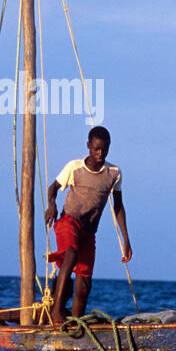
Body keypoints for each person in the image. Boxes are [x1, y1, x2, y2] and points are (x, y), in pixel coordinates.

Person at [44, 126, 132, 326]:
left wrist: (126, 238)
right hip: (68, 222)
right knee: (71, 254)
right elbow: (53, 187)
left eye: (104, 149)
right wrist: (51, 205)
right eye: (96, 149)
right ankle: (57, 312)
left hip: (88, 231)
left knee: (84, 282)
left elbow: (118, 206)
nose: (100, 154)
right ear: (88, 146)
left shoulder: (114, 173)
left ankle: (76, 323)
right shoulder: (74, 167)